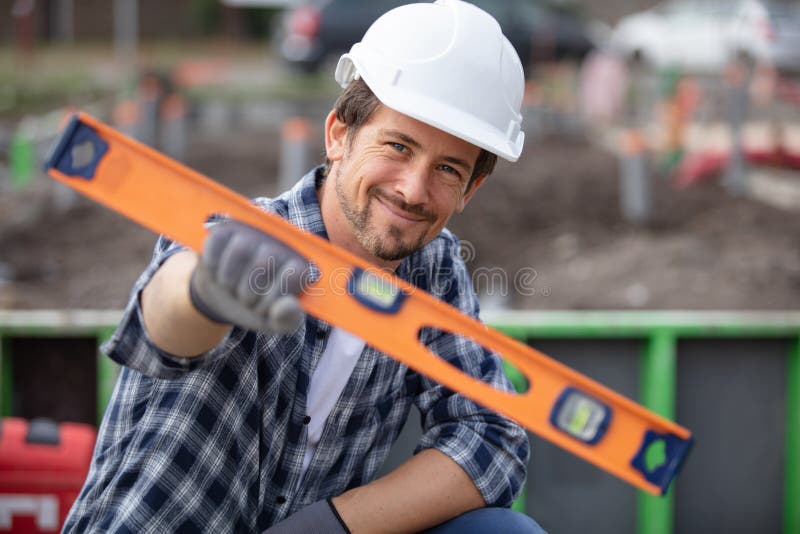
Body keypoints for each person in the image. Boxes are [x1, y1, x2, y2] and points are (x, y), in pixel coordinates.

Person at [64, 1, 545, 532]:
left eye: (447, 169)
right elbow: (162, 330)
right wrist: (204, 290)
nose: (413, 189)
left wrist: (332, 525)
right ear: (339, 134)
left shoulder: (433, 270)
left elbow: (492, 438)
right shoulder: (244, 234)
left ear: (470, 189)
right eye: (397, 146)